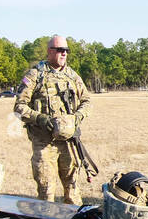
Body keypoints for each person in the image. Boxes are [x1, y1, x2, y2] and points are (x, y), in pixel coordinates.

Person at [14, 35, 93, 204]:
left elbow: (87, 101)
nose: (64, 53)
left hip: (69, 142)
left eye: (66, 50)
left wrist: (76, 118)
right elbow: (19, 107)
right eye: (60, 50)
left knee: (72, 191)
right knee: (46, 192)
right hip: (44, 143)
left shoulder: (72, 76)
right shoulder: (35, 75)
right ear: (50, 51)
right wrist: (41, 119)